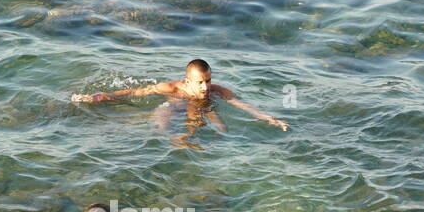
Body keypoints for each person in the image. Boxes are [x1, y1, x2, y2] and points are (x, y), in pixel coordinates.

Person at [71, 58, 289, 131]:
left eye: (208, 81)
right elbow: (136, 92)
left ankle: (189, 143)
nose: (205, 87)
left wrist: (270, 118)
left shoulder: (216, 91)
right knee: (161, 126)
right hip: (174, 106)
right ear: (187, 81)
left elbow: (242, 105)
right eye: (200, 82)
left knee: (221, 129)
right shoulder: (173, 88)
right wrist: (99, 97)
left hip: (204, 109)